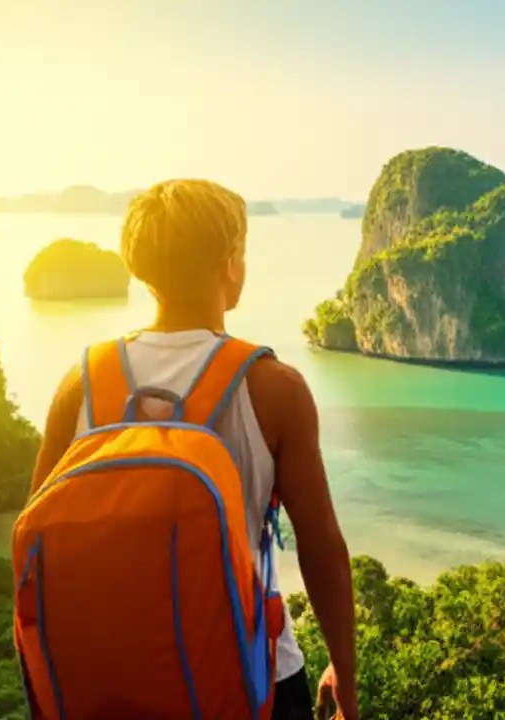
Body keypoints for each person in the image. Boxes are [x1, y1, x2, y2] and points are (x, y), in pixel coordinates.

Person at [29, 179, 358, 720]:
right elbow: (321, 548)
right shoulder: (274, 387)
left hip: (114, 683)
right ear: (230, 262)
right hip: (254, 679)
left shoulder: (83, 383)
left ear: (138, 268)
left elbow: (36, 532)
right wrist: (344, 674)